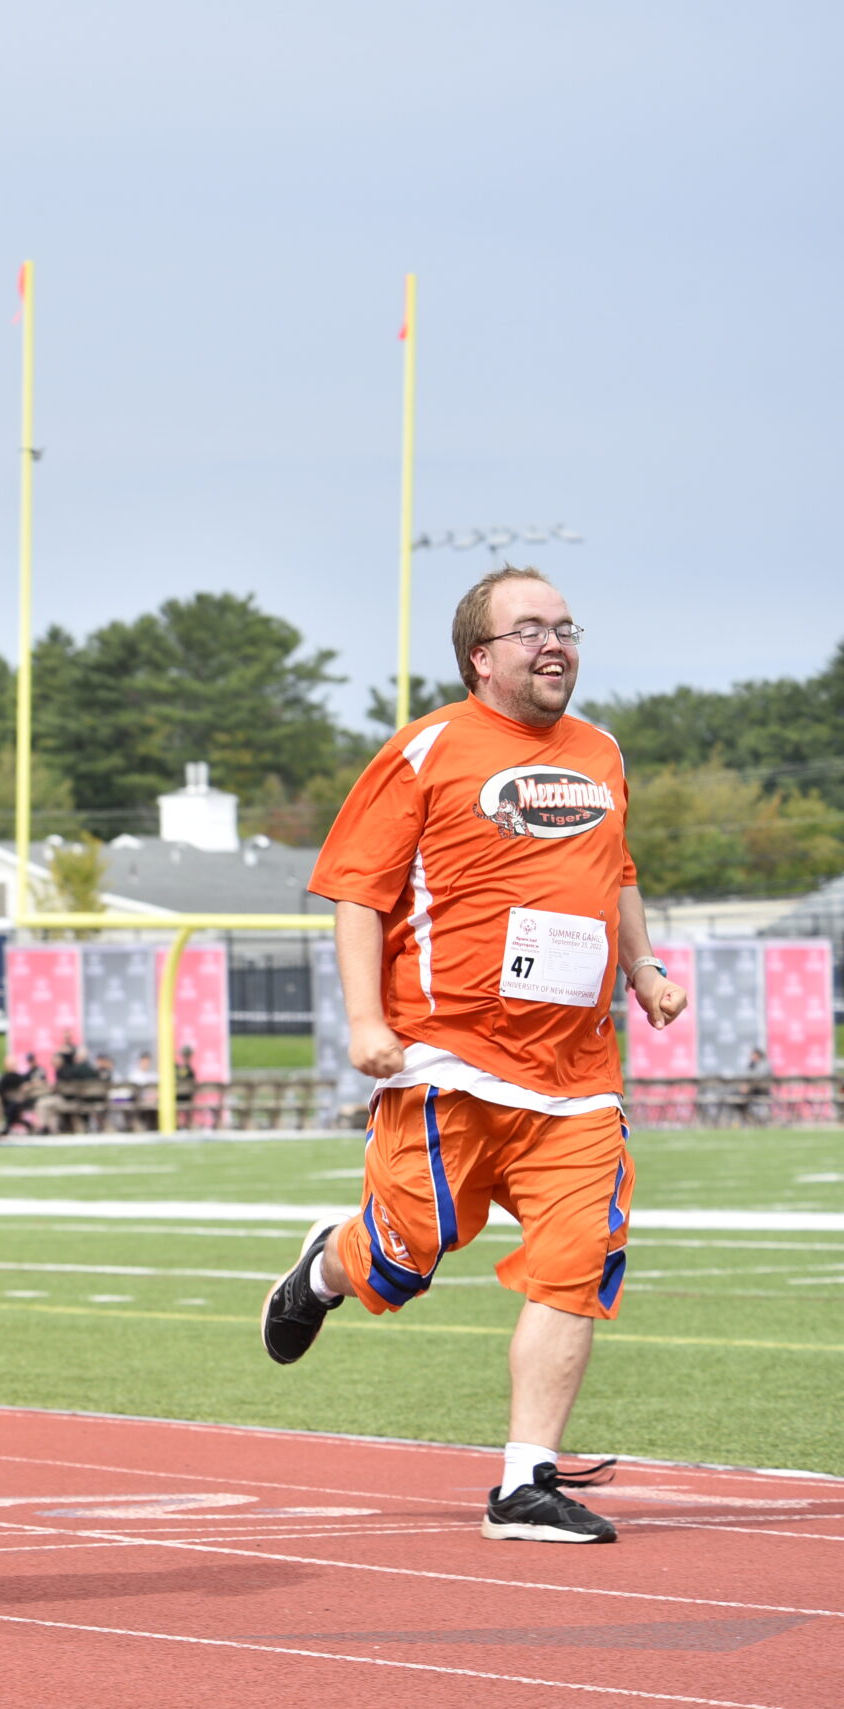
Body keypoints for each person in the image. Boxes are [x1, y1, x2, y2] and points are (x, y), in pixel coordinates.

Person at [263, 565, 687, 1545]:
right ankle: (326, 1269)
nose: (556, 642)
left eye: (566, 626)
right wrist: (366, 1023)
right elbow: (358, 892)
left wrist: (644, 966)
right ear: (479, 657)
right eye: (529, 627)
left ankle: (523, 1480)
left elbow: (613, 868)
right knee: (405, 1256)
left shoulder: (602, 751)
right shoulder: (425, 749)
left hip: (577, 1078)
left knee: (576, 1262)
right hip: (445, 1061)